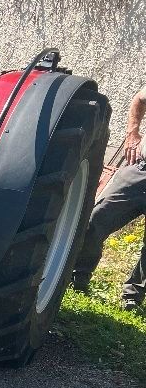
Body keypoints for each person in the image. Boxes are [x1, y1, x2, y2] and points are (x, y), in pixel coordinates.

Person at [73, 86, 146, 310]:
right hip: (141, 170)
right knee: (96, 217)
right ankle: (77, 278)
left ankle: (132, 299)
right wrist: (132, 133)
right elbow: (140, 99)